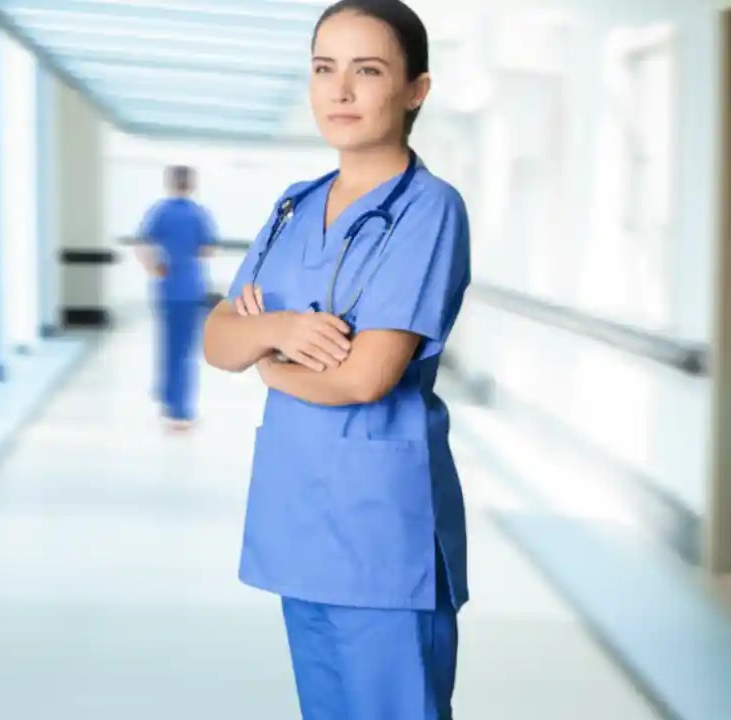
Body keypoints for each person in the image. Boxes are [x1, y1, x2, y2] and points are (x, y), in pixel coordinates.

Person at [202, 1, 470, 717]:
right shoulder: (294, 205)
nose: (340, 90)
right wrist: (283, 328)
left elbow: (364, 376)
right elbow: (217, 339)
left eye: (368, 70)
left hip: (384, 536)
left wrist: (267, 355)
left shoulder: (429, 210)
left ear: (416, 90)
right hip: (299, 520)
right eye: (325, 68)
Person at [135, 165, 217, 432]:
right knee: (185, 351)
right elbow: (207, 249)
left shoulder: (159, 211)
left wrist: (156, 267)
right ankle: (181, 411)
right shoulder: (199, 214)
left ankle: (167, 397)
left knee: (167, 344)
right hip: (191, 287)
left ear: (170, 183)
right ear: (191, 184)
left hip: (166, 286)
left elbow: (143, 245)